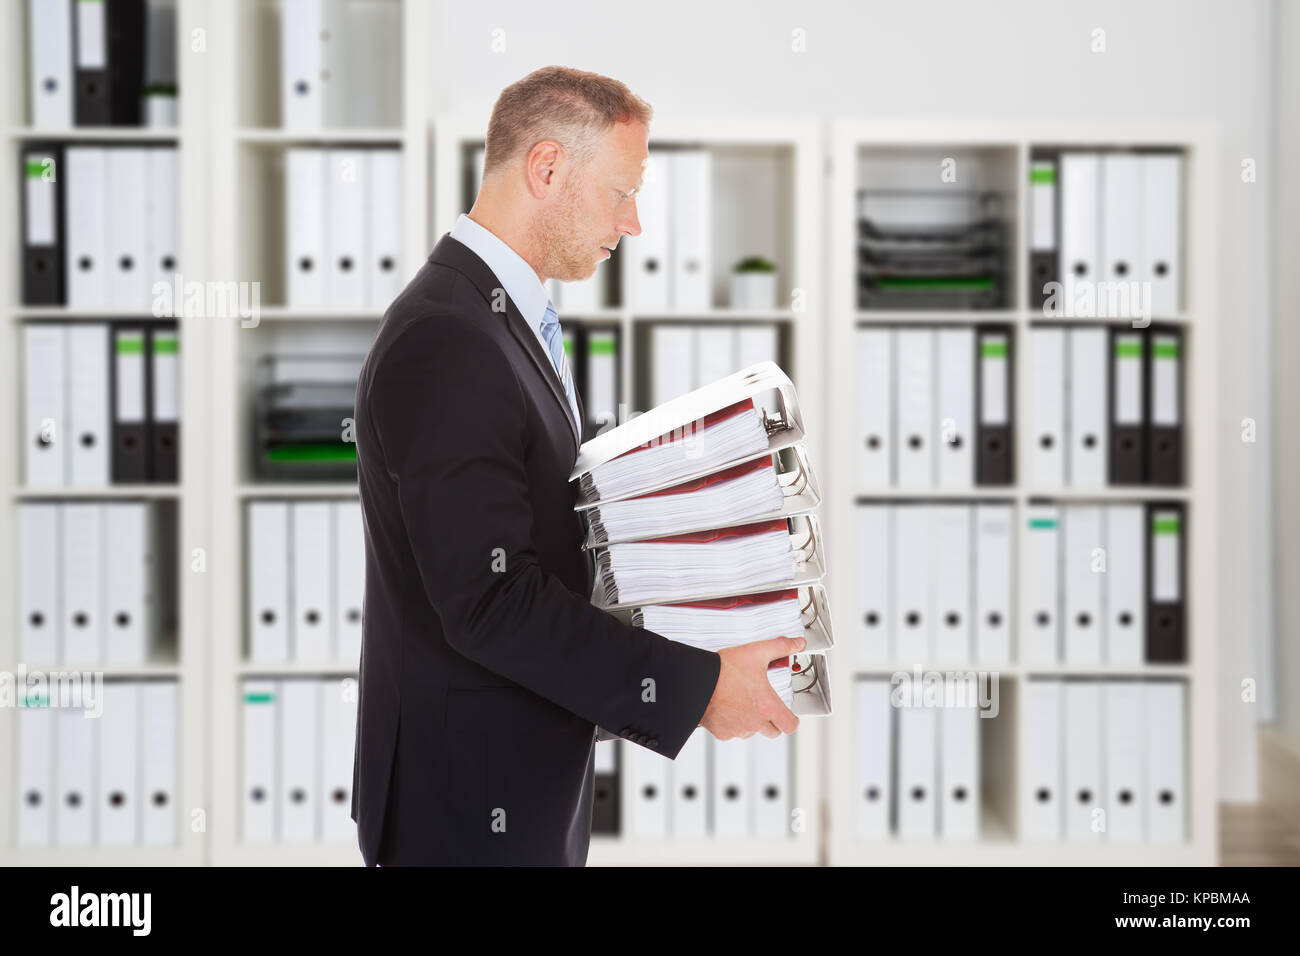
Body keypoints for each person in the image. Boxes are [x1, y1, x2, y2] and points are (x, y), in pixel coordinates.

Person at [350, 65, 802, 866]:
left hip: (513, 778)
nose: (633, 224)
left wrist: (718, 616)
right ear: (548, 168)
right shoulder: (448, 336)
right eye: (621, 192)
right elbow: (491, 601)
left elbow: (547, 551)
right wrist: (695, 689)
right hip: (462, 804)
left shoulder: (504, 318)